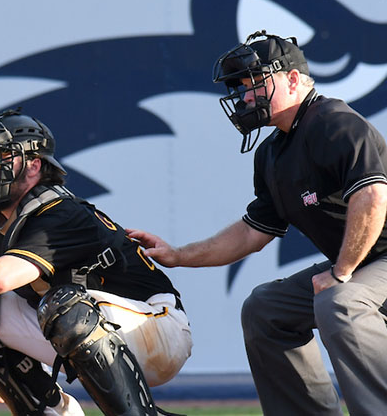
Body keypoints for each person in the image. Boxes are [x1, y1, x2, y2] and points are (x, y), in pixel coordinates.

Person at [128, 31, 387, 415]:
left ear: (293, 80)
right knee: (265, 308)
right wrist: (177, 254)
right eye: (241, 87)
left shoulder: (334, 123)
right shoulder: (272, 154)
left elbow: (372, 197)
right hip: (364, 264)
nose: (246, 96)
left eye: (255, 83)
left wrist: (342, 271)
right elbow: (251, 233)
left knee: (340, 301)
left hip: (373, 260)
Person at [0, 109, 193, 416]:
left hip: (158, 326)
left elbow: (1, 278)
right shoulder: (4, 221)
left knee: (63, 306)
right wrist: (2, 362)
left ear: (34, 165)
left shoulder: (58, 214)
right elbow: (8, 292)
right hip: (101, 327)